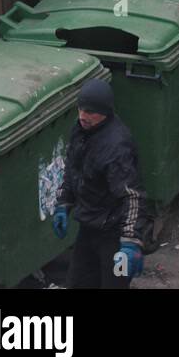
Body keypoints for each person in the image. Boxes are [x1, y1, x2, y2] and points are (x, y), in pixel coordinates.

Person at [52, 79, 149, 289]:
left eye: (89, 111)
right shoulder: (80, 130)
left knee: (115, 285)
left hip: (114, 236)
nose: (82, 116)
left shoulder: (117, 147)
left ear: (104, 112)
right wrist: (63, 203)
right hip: (89, 228)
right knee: (77, 284)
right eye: (80, 108)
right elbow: (73, 169)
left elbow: (132, 196)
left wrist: (131, 242)